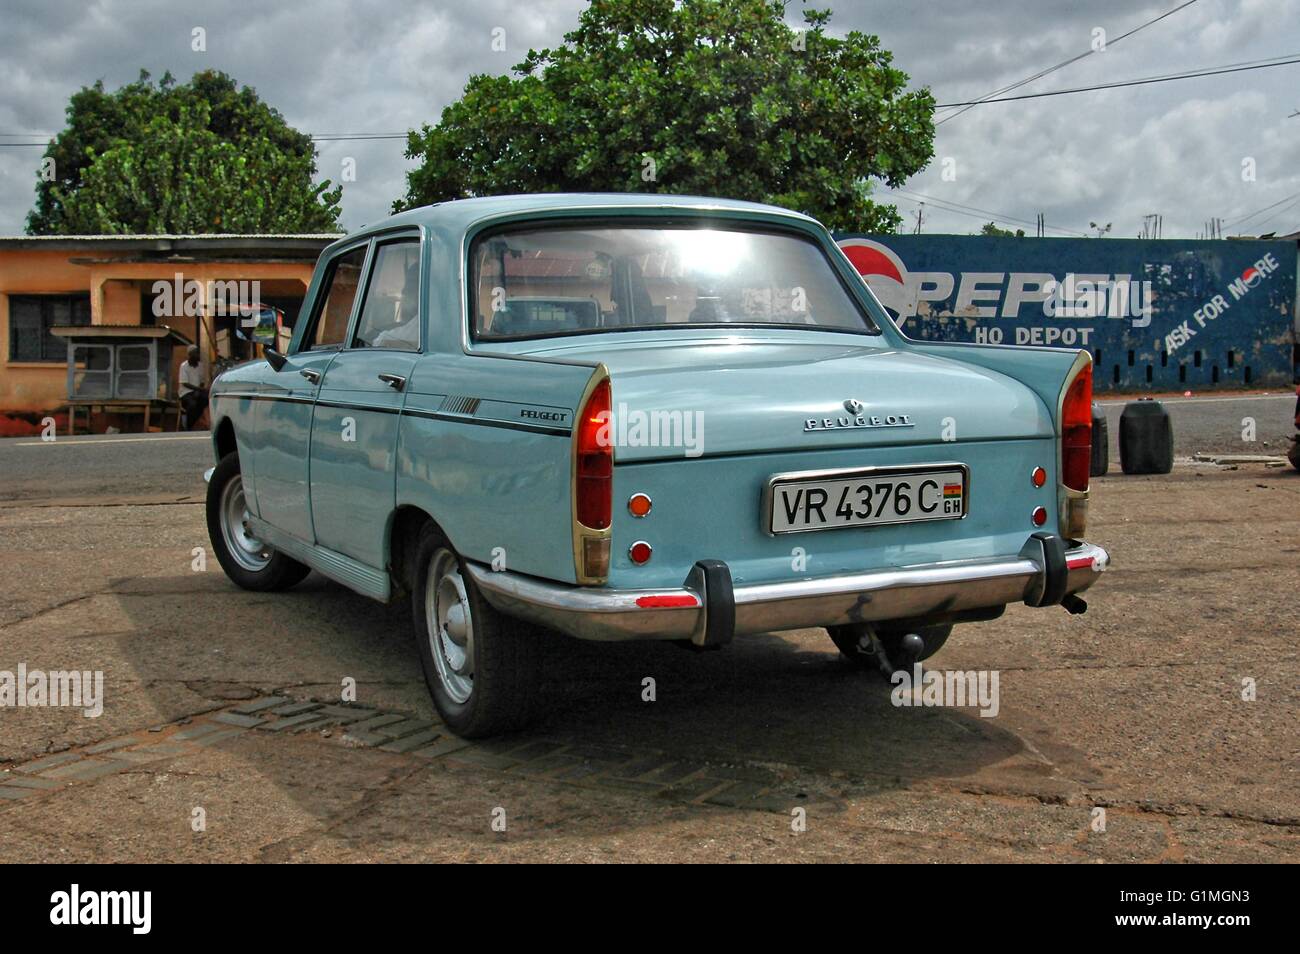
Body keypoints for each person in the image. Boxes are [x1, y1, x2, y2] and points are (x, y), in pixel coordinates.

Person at [179, 345, 208, 430]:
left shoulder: (200, 366)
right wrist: (198, 390)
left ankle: (192, 422)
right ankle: (188, 426)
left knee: (205, 399)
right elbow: (184, 383)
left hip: (197, 390)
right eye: (195, 353)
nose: (198, 355)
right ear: (190, 355)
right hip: (185, 392)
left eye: (198, 353)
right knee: (192, 404)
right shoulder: (184, 366)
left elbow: (202, 381)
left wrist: (198, 391)